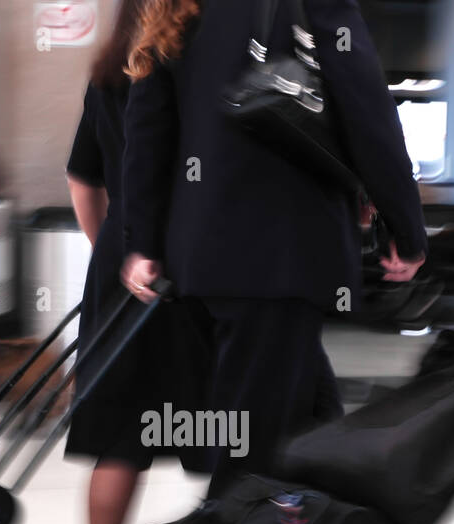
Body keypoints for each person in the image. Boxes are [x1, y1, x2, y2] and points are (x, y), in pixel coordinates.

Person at [120, 0, 427, 494]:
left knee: (309, 422)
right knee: (256, 454)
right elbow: (368, 113)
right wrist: (407, 229)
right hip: (282, 254)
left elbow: (148, 133)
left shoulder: (174, 8)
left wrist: (145, 244)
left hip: (202, 257)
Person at [65, 0, 210, 524]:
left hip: (125, 259)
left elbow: (83, 177)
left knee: (122, 433)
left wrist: (112, 246)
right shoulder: (200, 59)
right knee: (226, 420)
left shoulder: (109, 69)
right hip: (196, 253)